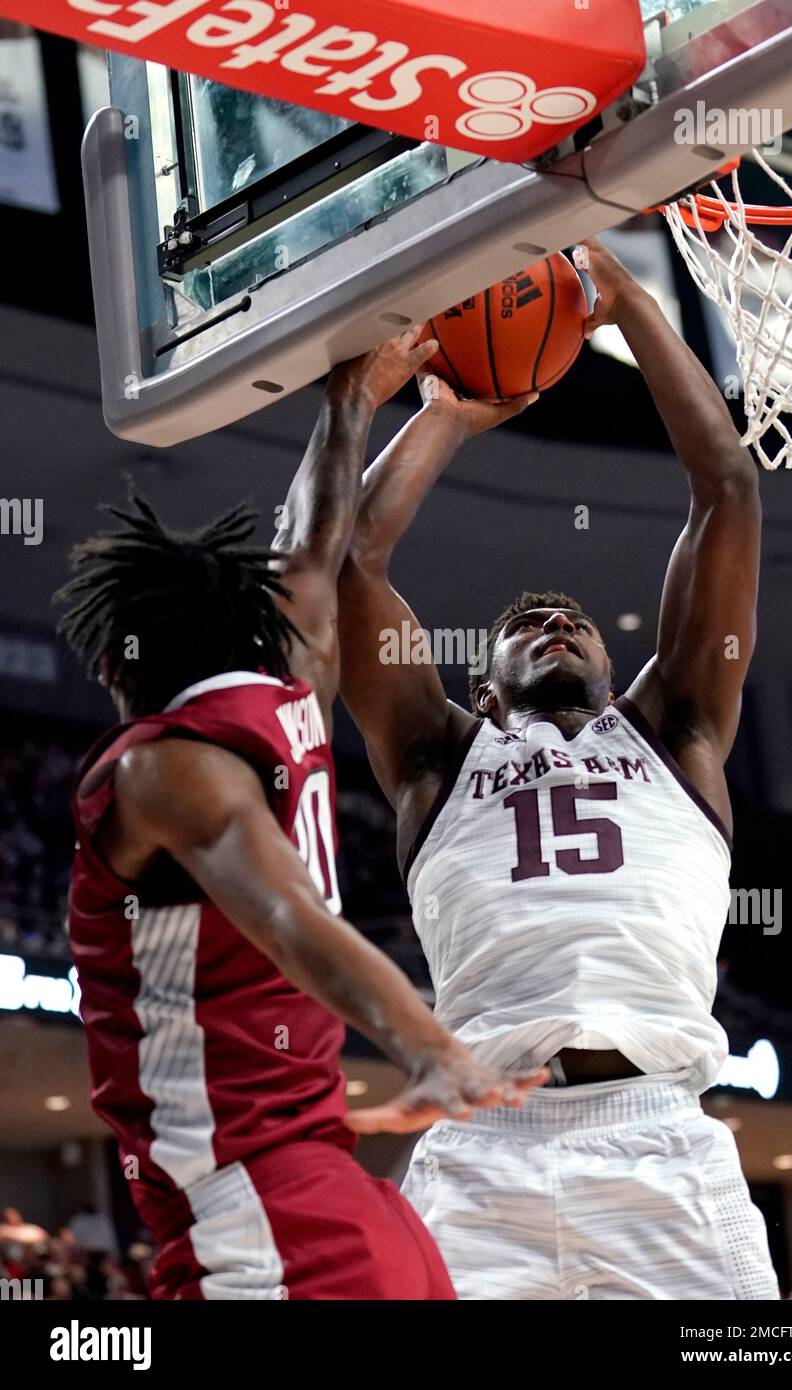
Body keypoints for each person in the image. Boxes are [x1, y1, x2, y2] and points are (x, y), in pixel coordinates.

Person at [57, 332, 545, 1301]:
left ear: (115, 663)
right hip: (343, 1207)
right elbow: (320, 543)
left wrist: (426, 1047)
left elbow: (289, 918)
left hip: (258, 1224)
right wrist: (374, 400)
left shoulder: (160, 768)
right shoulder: (294, 686)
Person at [337, 239, 779, 1299]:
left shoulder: (676, 734)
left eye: (572, 621)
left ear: (617, 672)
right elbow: (346, 560)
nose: (554, 623)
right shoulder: (437, 757)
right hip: (482, 1145)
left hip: (657, 1138)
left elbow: (725, 488)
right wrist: (445, 414)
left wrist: (628, 302)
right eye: (526, 624)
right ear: (482, 689)